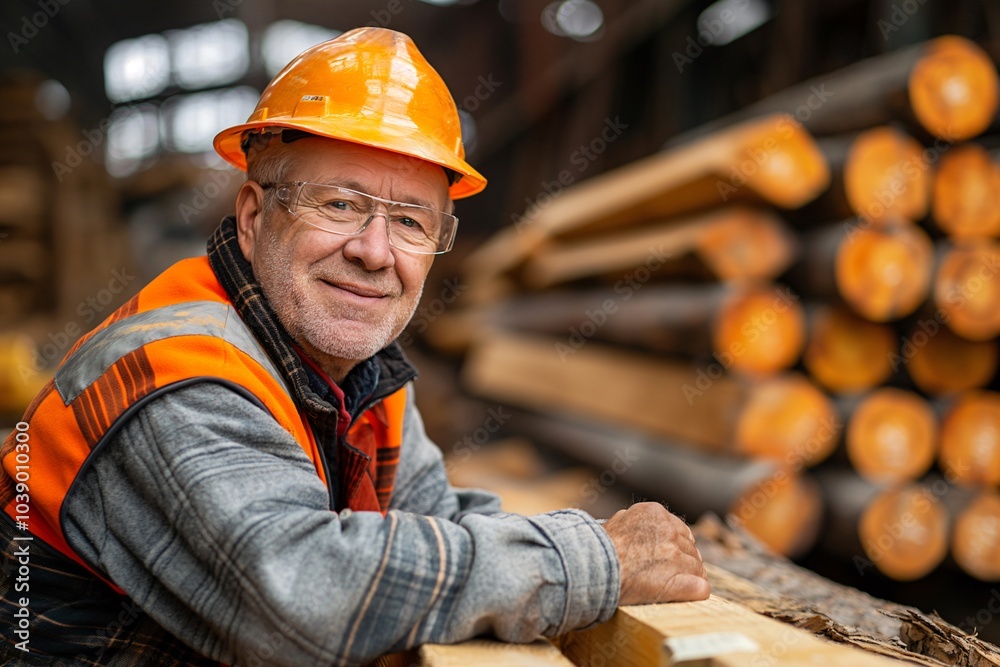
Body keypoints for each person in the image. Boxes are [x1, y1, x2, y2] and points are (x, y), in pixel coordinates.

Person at [0, 27, 709, 666]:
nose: (375, 252)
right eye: (339, 204)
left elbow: (438, 523)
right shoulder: (177, 373)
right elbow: (305, 596)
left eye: (409, 221)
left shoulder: (359, 376)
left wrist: (594, 545)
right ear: (252, 216)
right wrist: (595, 559)